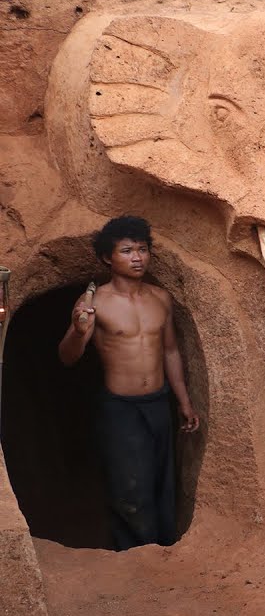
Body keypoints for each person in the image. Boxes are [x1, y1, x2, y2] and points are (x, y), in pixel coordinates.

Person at [58, 216, 200, 550]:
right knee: (129, 488)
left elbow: (170, 351)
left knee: (163, 483)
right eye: (126, 250)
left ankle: (163, 553)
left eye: (142, 249)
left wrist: (183, 402)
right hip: (120, 409)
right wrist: (79, 332)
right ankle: (135, 555)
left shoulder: (160, 299)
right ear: (108, 258)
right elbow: (67, 357)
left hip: (158, 403)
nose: (137, 257)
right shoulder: (94, 303)